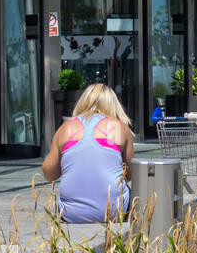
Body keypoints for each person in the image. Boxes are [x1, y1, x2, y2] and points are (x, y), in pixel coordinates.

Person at [42, 83, 133, 224]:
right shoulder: (119, 127)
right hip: (113, 211)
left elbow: (49, 174)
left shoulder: (66, 128)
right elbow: (129, 174)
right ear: (114, 105)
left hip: (70, 213)